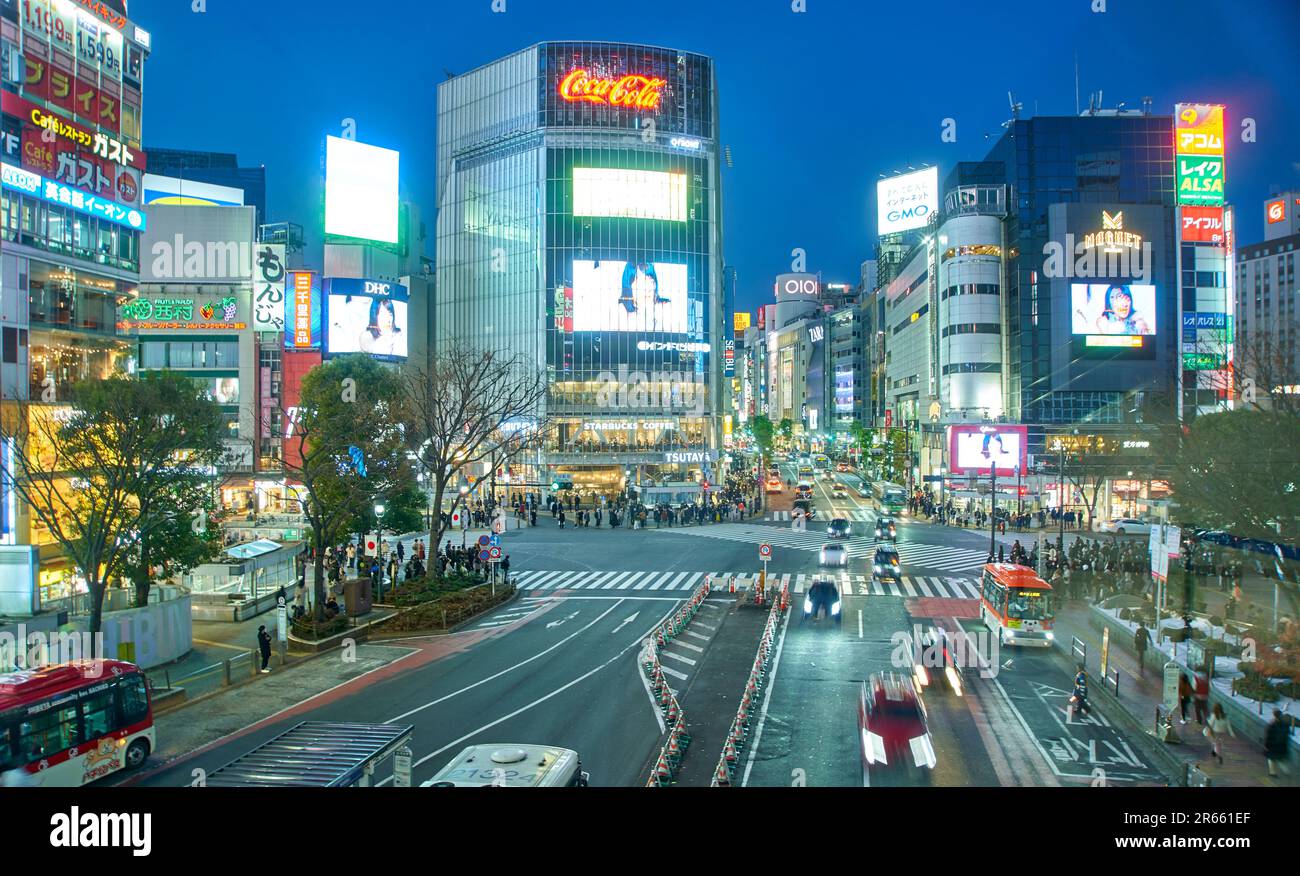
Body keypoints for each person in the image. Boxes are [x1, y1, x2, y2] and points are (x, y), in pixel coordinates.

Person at [1264, 708, 1292, 779]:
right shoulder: (1285, 724)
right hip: (1282, 745)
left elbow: (1268, 736)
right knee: (1280, 760)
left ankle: (1272, 772)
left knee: (1270, 758)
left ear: (1274, 715)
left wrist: (1266, 745)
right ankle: (1286, 771)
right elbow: (1287, 734)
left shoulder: (1272, 724)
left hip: (1272, 745)